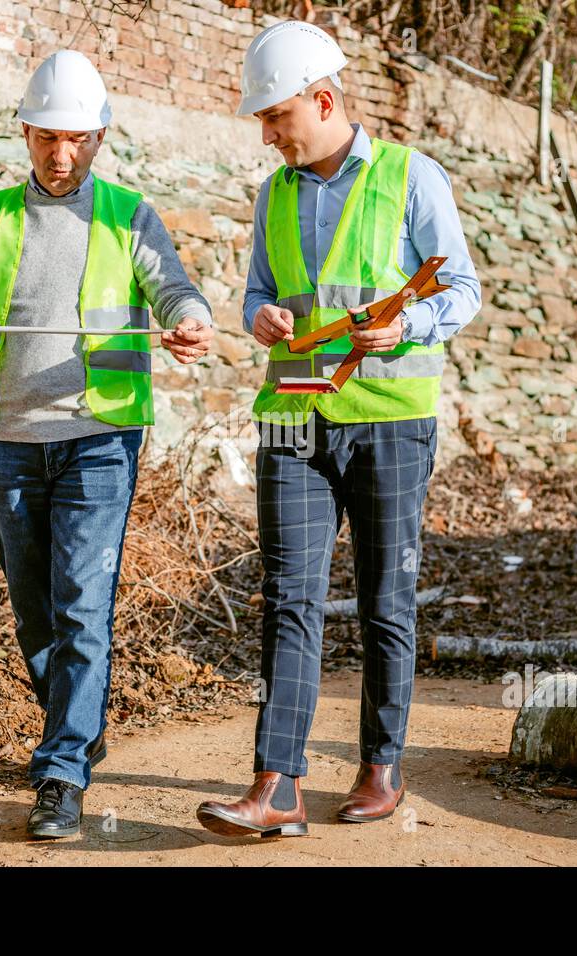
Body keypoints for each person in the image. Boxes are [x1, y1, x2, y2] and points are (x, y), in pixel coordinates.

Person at [0, 50, 214, 839]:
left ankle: (62, 770)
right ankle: (79, 717)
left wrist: (192, 314)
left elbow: (171, 284)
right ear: (26, 132)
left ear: (100, 137)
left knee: (81, 604)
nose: (61, 156)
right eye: (46, 139)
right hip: (7, 441)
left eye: (77, 140)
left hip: (98, 437)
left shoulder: (128, 216)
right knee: (34, 609)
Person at [196, 21, 481, 838]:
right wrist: (261, 318)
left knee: (386, 598)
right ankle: (277, 783)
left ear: (324, 100)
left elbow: (461, 288)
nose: (267, 133)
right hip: (292, 415)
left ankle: (380, 768)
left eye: (276, 116)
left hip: (390, 419)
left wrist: (411, 325)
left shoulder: (409, 176)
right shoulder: (273, 193)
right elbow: (255, 293)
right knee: (289, 596)